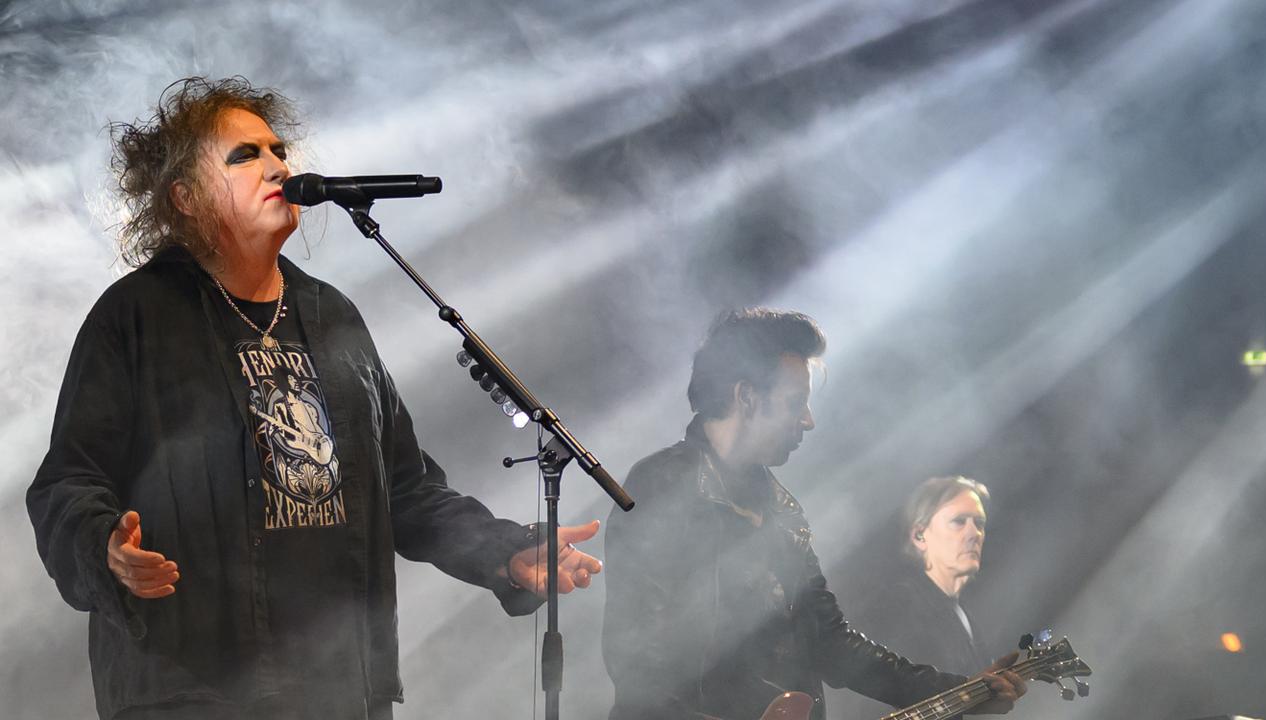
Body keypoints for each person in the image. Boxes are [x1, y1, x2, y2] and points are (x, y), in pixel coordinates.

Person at [26, 76, 603, 720]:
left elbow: (405, 490)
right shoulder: (137, 316)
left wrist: (505, 550)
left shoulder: (332, 317)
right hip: (192, 687)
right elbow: (66, 481)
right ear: (184, 197)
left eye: (277, 150)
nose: (277, 165)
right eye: (245, 155)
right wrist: (105, 549)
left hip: (338, 684)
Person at [601, 309, 1027, 720]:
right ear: (747, 396)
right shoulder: (663, 487)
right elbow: (639, 666)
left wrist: (959, 692)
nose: (808, 420)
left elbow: (831, 643)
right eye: (795, 403)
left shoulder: (781, 509)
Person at [834, 476, 995, 719]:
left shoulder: (964, 616)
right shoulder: (899, 605)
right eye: (958, 522)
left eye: (979, 523)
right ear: (920, 536)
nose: (974, 533)